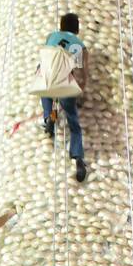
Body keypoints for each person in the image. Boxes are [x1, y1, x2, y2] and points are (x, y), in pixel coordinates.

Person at [40, 13, 89, 182]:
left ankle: (48, 116)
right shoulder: (79, 46)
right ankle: (78, 159)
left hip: (46, 80)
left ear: (61, 26)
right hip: (65, 83)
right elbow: (83, 74)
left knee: (44, 84)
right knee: (73, 122)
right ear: (76, 28)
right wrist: (80, 90)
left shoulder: (51, 36)